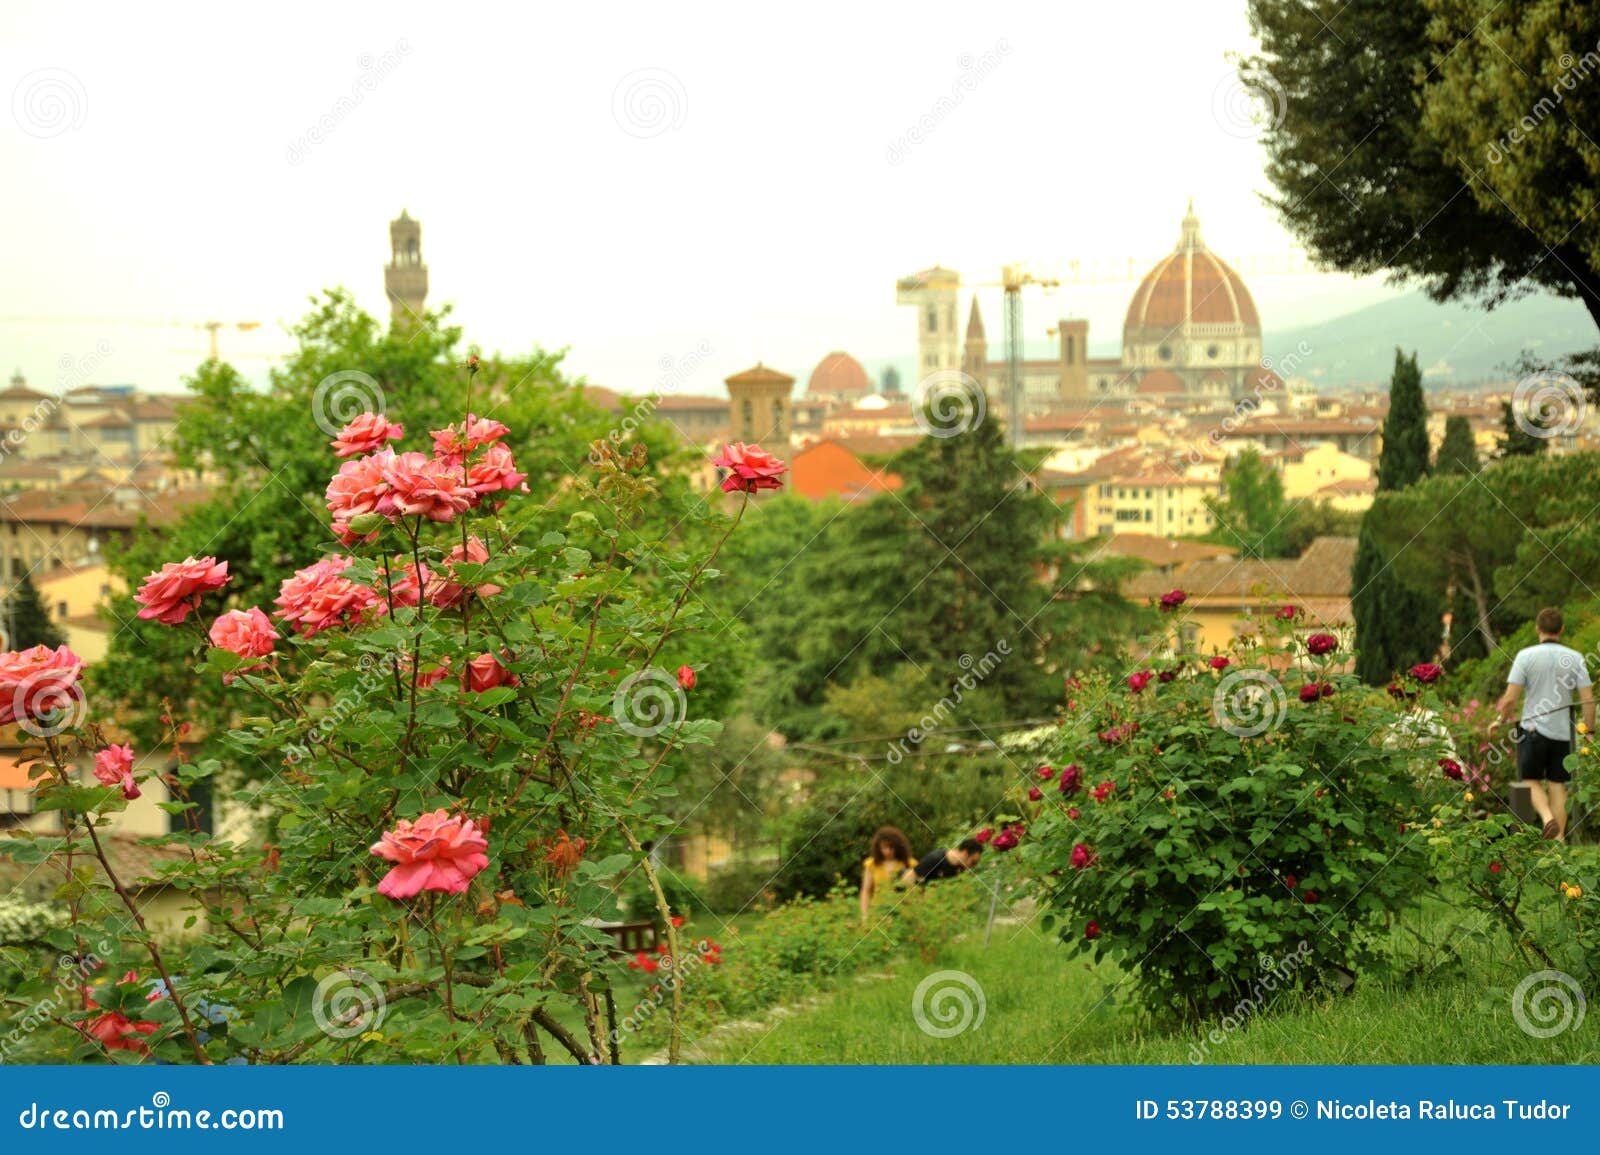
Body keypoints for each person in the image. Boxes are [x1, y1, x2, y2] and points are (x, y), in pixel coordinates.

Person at [1492, 606, 1594, 841]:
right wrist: (1590, 731)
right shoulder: (1576, 658)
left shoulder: (1525, 656)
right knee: (1558, 786)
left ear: (1538, 628)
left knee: (1530, 781)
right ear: (1561, 629)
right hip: (1562, 734)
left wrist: (1500, 720)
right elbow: (1588, 700)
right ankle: (1557, 845)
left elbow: (1510, 699)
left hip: (1533, 731)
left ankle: (1548, 819)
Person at [858, 826, 914, 926]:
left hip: (904, 916)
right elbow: (866, 891)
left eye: (891, 847)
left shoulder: (910, 864)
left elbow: (918, 892)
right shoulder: (871, 864)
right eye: (884, 847)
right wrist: (865, 916)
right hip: (879, 915)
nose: (887, 851)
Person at [903, 838, 984, 886]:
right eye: (973, 862)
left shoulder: (961, 868)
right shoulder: (935, 859)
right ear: (965, 853)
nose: (973, 866)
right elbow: (908, 878)